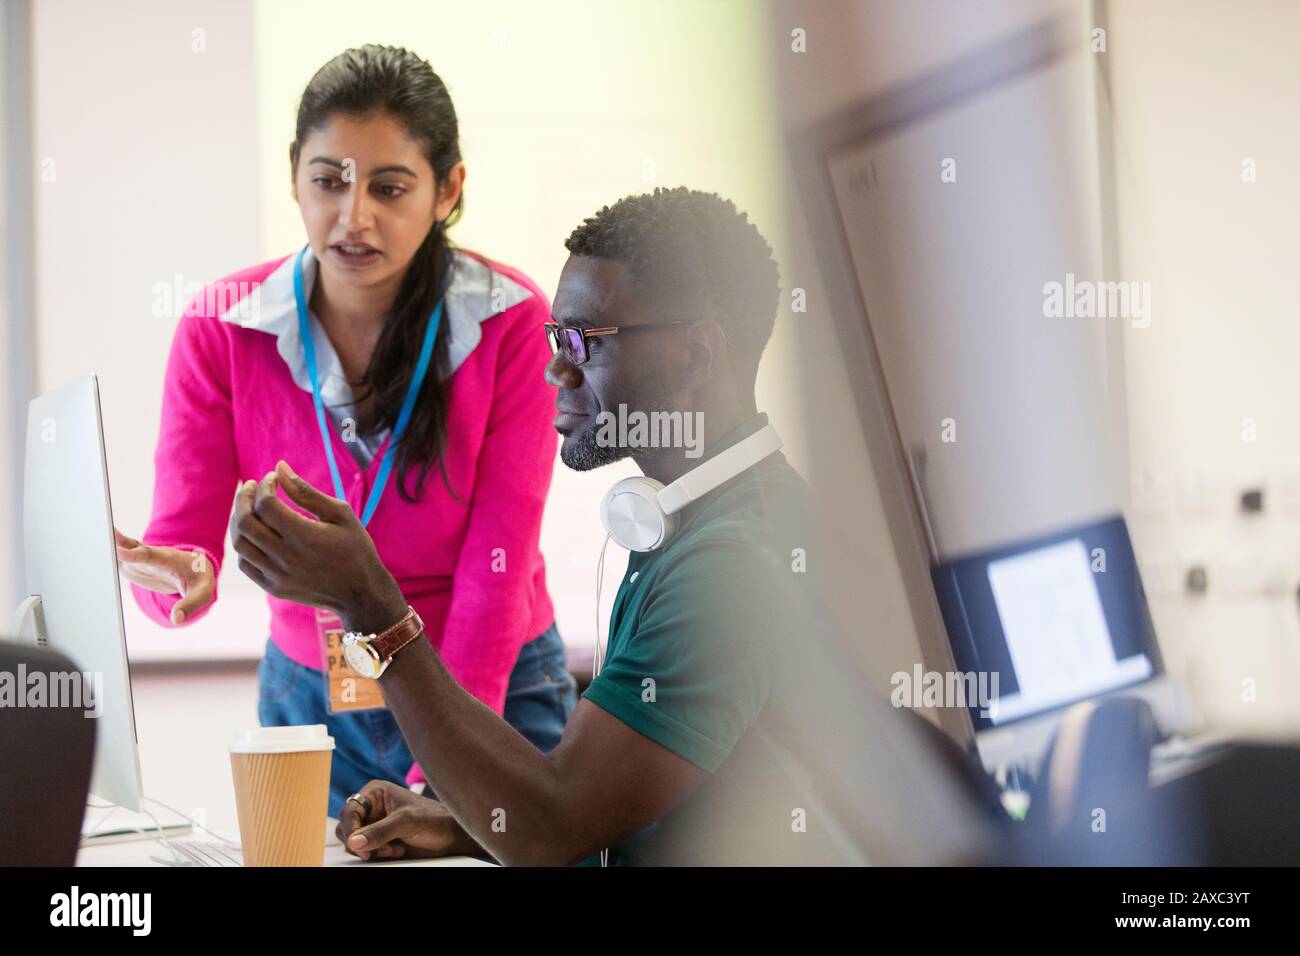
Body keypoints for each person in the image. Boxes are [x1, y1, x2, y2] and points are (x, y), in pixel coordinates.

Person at [229, 187, 992, 864]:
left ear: (697, 354)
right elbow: (621, 801)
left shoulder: (733, 563)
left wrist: (370, 603)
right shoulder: (689, 519)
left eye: (584, 342)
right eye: (553, 339)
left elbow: (554, 822)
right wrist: (462, 823)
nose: (556, 370)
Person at [115, 45, 575, 816]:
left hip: (484, 682)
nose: (353, 217)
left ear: (447, 189)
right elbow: (185, 534)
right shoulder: (220, 327)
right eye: (328, 180)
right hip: (311, 698)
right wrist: (180, 582)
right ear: (295, 171)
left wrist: (444, 776)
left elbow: (495, 573)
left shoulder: (512, 323)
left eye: (390, 188)